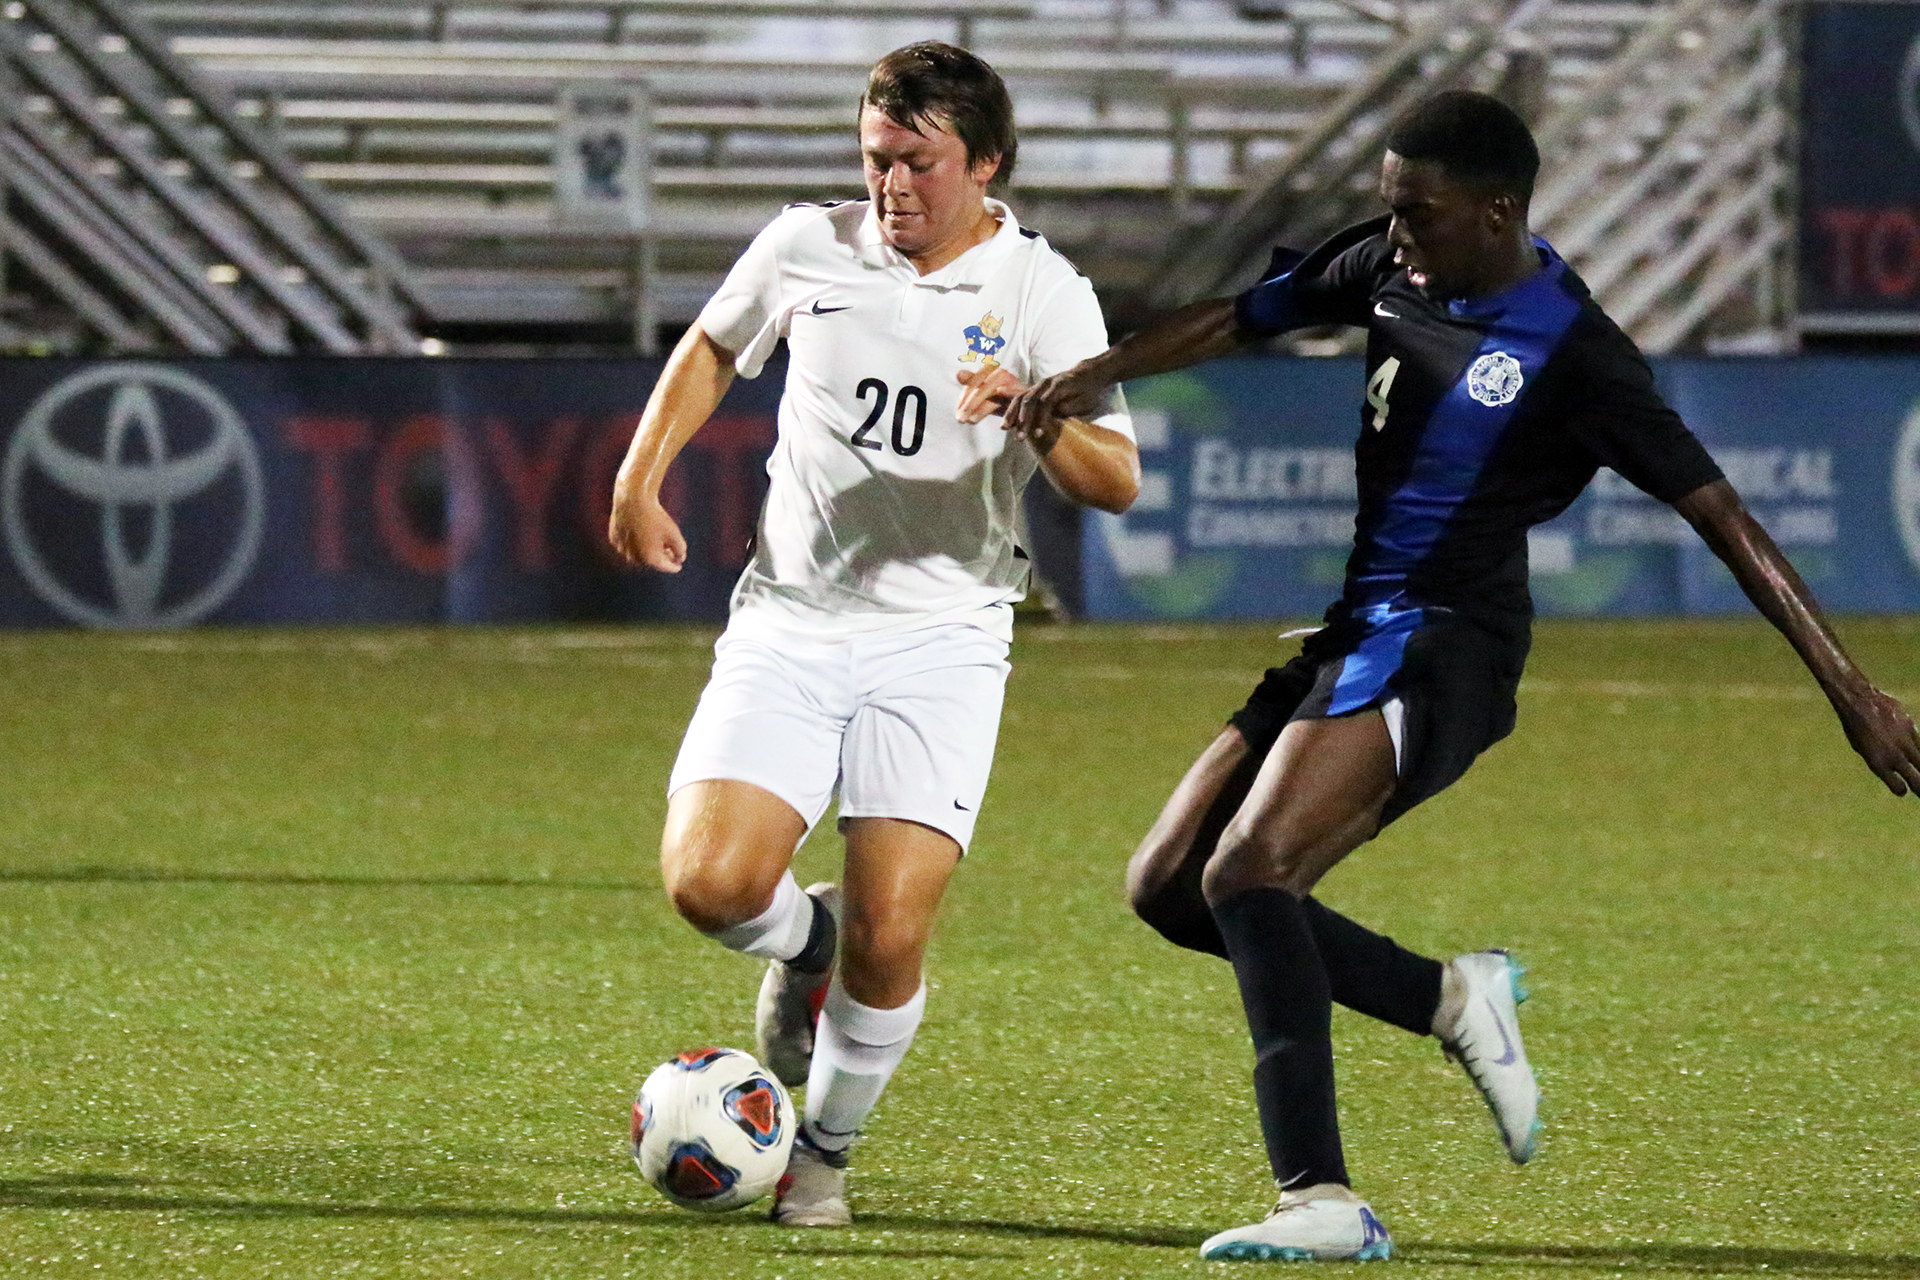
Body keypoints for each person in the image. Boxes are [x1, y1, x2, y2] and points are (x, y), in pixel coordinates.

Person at [963, 90, 1920, 1262]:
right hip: (1357, 624)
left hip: (1451, 643)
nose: (1395, 230)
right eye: (1388, 207)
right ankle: (1450, 999)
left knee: (1252, 869)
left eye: (1416, 211)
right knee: (1168, 883)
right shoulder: (1389, 262)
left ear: (1497, 209)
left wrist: (1855, 693)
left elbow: (1724, 517)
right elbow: (1234, 318)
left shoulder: (1575, 351)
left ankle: (1321, 1196)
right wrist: (1087, 375)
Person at [606, 41, 1139, 1228]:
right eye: (876, 160)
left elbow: (1116, 482)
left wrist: (1034, 409)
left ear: (986, 162)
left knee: (895, 936)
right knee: (708, 881)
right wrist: (642, 476)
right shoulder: (807, 244)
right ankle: (804, 943)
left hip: (945, 637)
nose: (893, 187)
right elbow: (708, 347)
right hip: (790, 617)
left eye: (919, 164)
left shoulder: (1044, 291)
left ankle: (824, 1156)